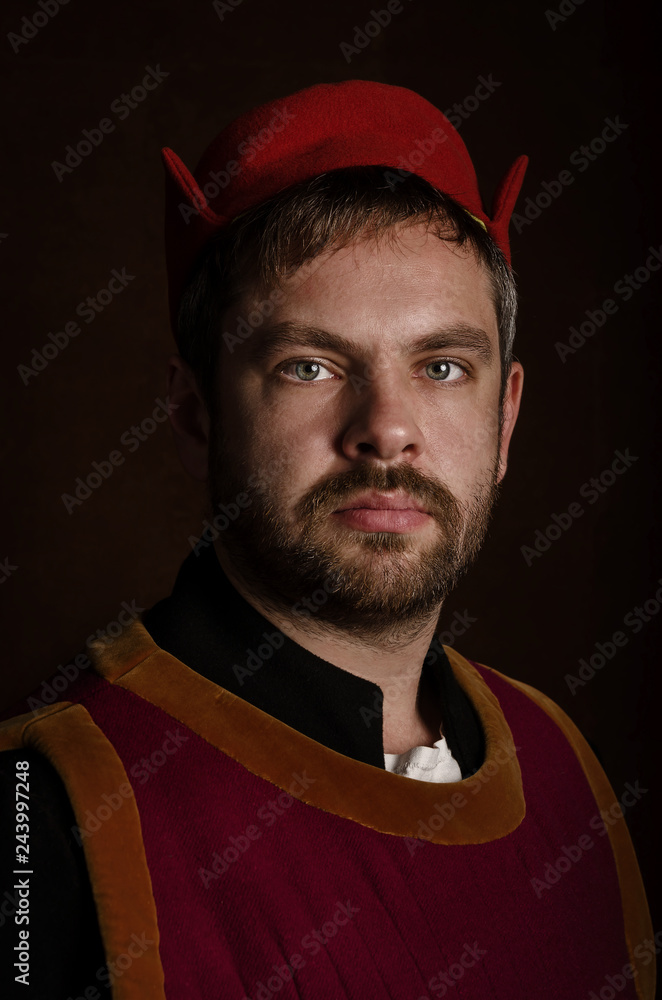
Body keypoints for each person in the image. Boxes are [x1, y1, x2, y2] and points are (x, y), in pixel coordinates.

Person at [0, 80, 654, 1000]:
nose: (387, 428)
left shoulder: (566, 776)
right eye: (310, 365)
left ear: (504, 421)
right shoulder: (44, 807)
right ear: (195, 416)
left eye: (441, 367)